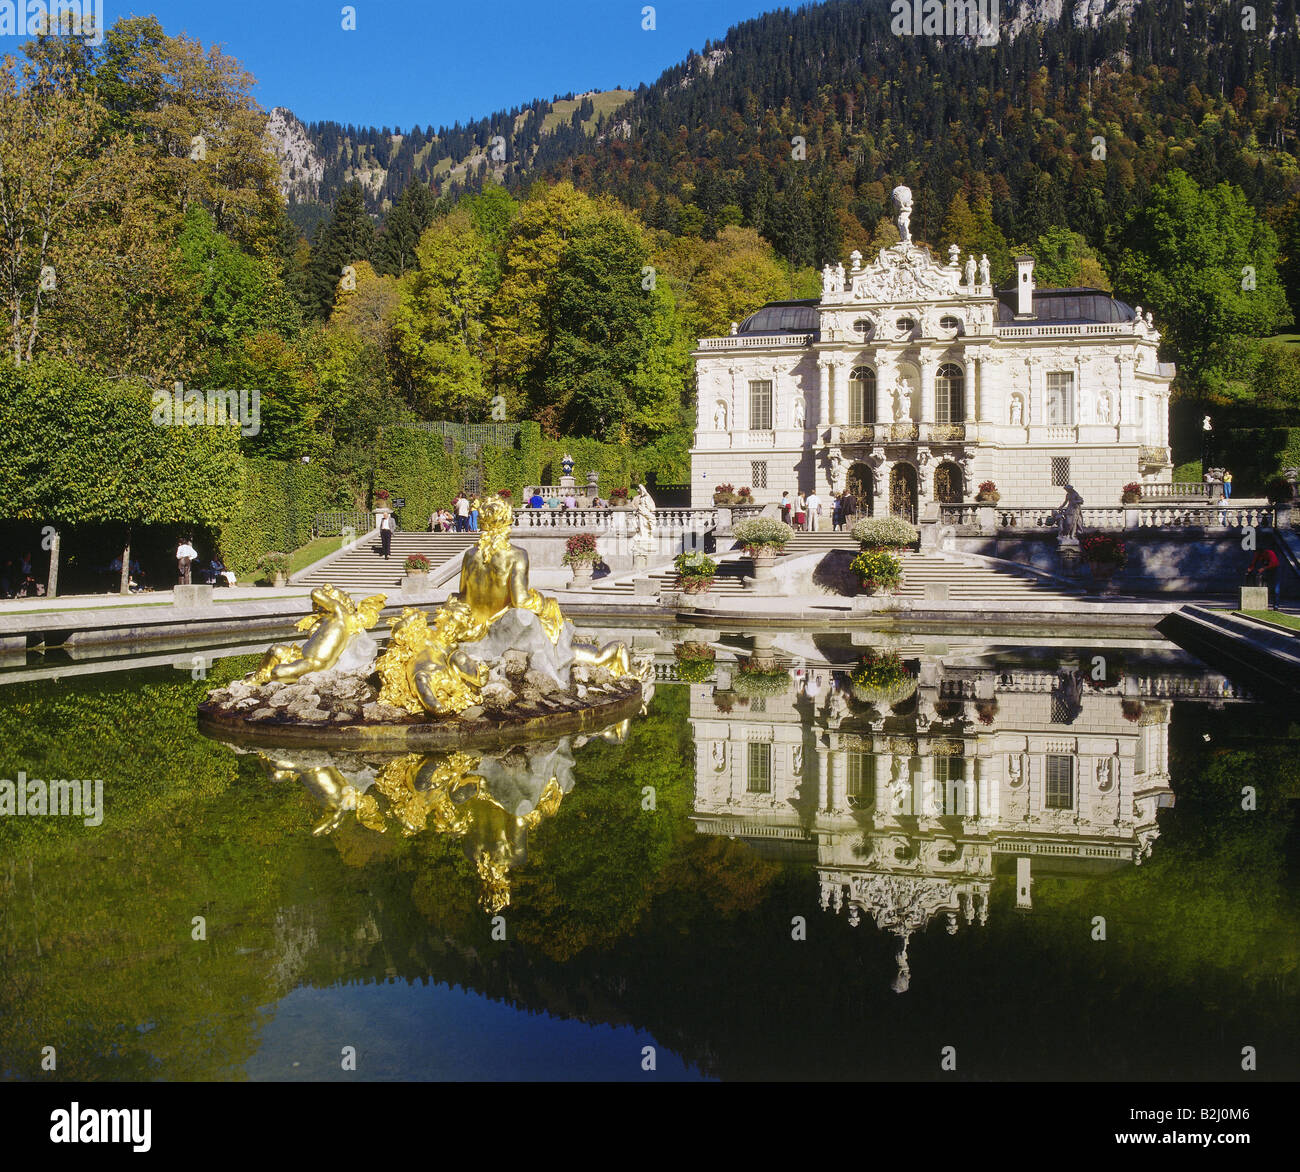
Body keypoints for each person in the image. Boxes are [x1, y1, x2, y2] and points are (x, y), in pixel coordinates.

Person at [1246, 543, 1280, 608]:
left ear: (1262, 551)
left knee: (1276, 587)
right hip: (1267, 570)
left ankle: (1276, 606)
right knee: (1265, 586)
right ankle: (1263, 603)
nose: (1256, 554)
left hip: (1275, 569)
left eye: (1257, 553)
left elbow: (1273, 563)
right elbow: (1254, 562)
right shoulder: (1257, 554)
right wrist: (1250, 569)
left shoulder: (1270, 553)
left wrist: (1263, 568)